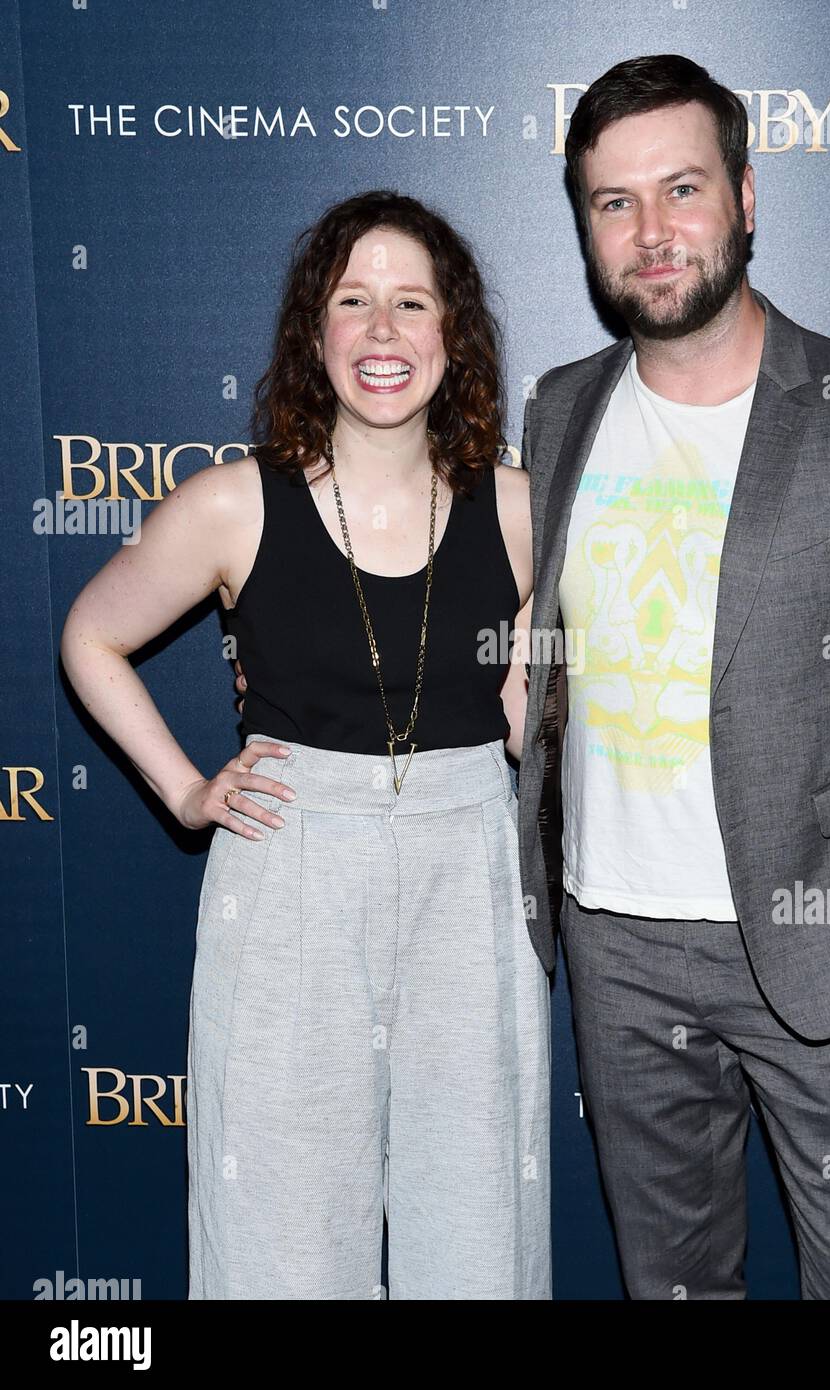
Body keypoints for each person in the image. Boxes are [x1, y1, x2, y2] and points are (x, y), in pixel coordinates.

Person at [516, 55, 830, 1299]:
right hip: (614, 942)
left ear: (745, 194)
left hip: (822, 946)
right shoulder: (560, 408)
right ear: (583, 225)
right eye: (613, 201)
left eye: (680, 188)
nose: (652, 231)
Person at [59, 191, 550, 1301]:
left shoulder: (522, 510)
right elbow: (91, 634)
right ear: (313, 333)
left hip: (468, 865)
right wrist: (187, 790)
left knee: (478, 1215)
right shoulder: (233, 507)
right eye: (353, 302)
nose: (382, 332)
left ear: (451, 334)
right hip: (290, 866)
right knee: (277, 1222)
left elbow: (539, 698)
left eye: (411, 303)